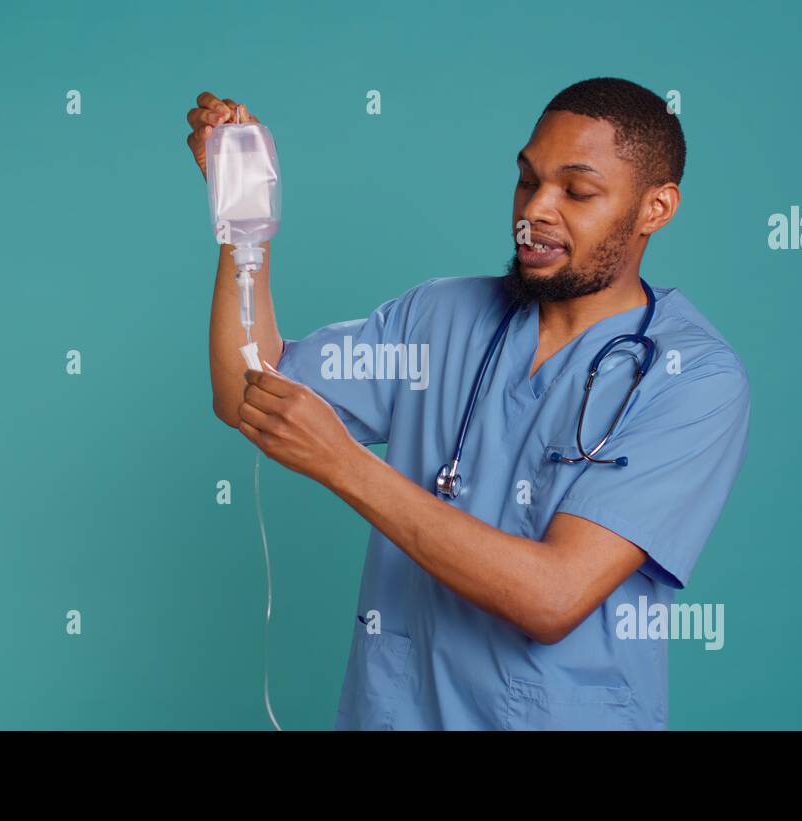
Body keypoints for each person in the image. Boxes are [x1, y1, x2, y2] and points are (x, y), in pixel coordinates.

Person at [187, 78, 751, 730]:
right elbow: (247, 391)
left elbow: (553, 596)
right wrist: (243, 225)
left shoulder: (692, 377)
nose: (535, 209)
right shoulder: (440, 317)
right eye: (527, 180)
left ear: (656, 207)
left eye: (577, 190)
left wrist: (345, 464)